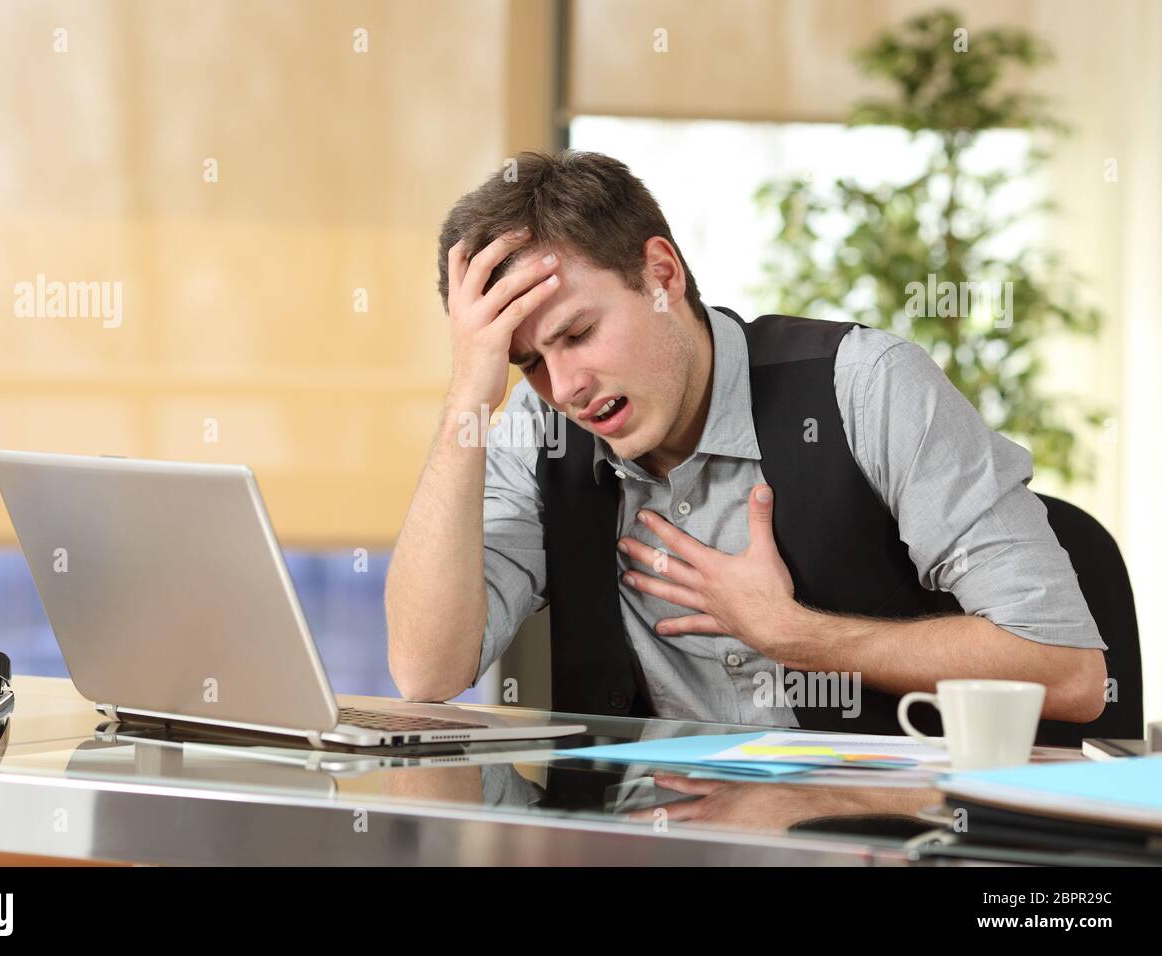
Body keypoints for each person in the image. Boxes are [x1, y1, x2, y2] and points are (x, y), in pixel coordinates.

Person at [385, 150, 1106, 733]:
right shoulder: (536, 431)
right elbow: (426, 672)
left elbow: (1068, 670)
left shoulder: (868, 386)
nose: (565, 384)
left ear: (661, 274)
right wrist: (466, 401)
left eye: (577, 333)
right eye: (528, 362)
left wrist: (795, 635)